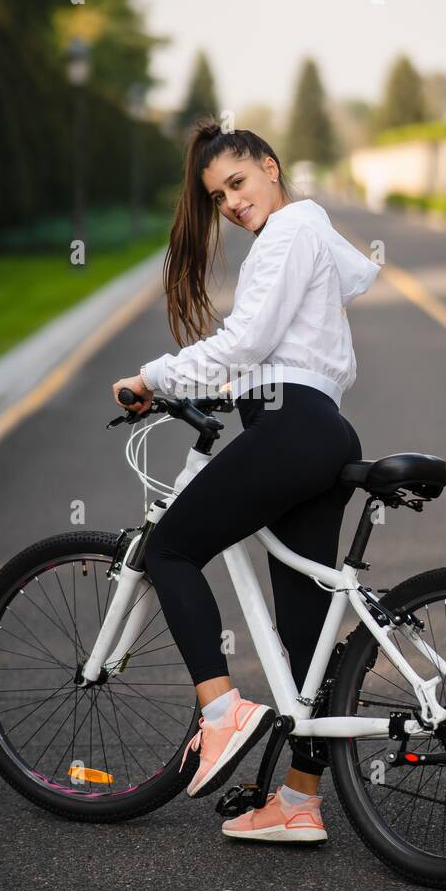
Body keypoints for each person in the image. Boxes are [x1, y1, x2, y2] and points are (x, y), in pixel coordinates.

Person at [111, 117, 379, 843]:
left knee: (169, 549)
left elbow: (249, 342)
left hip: (293, 432)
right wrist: (216, 393)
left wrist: (152, 376)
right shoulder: (303, 237)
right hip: (315, 430)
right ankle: (298, 803)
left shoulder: (290, 230)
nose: (230, 202)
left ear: (271, 166)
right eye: (216, 195)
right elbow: (282, 361)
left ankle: (222, 708)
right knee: (303, 632)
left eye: (237, 182)